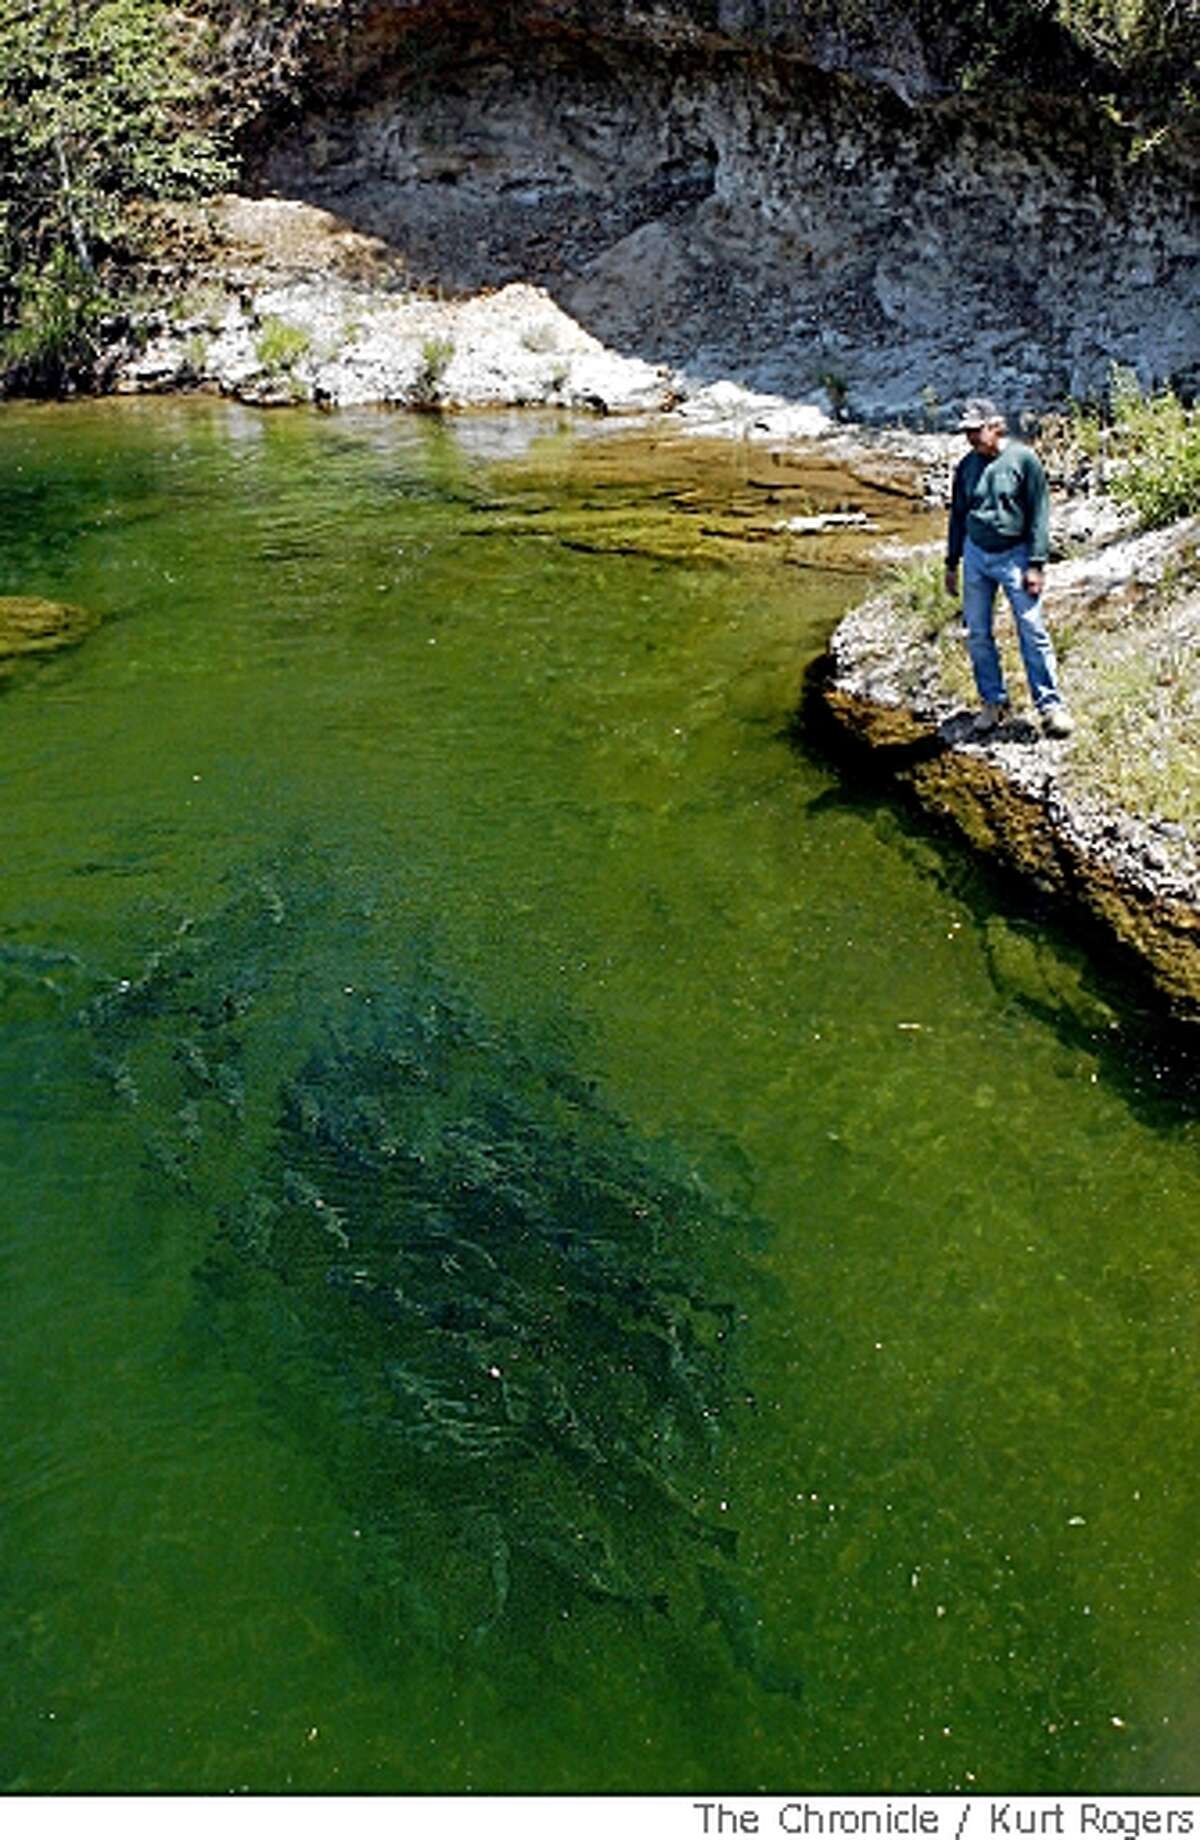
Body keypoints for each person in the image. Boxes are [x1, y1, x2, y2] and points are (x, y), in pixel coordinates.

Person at [944, 396, 1074, 739]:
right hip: (975, 554)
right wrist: (951, 562)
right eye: (967, 432)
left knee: (1031, 627)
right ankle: (993, 702)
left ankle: (1050, 706)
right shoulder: (965, 467)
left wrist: (1036, 563)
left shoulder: (1023, 460)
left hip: (1015, 555)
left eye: (976, 430)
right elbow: (957, 516)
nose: (971, 438)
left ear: (995, 426)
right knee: (978, 633)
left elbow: (1039, 514)